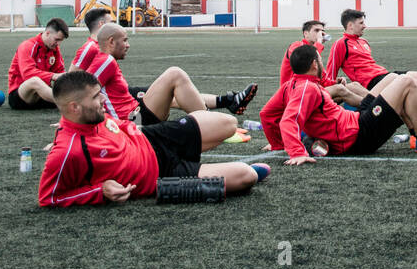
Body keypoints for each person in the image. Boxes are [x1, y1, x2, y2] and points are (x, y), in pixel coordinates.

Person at [38, 70, 267, 206]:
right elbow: (48, 197)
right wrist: (100, 191)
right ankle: (219, 171)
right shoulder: (66, 152)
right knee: (246, 175)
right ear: (74, 107)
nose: (102, 101)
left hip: (152, 137)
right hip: (162, 174)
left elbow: (118, 125)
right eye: (96, 97)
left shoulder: (91, 116)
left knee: (228, 123)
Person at [260, 44, 417, 161]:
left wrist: (278, 144)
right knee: (407, 81)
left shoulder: (289, 86)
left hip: (356, 120)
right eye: (320, 60)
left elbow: (266, 115)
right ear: (315, 65)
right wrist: (296, 152)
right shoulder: (306, 88)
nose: (322, 64)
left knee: (392, 78)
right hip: (358, 136)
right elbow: (289, 120)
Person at [82, 22, 257, 126]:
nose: (128, 45)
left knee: (174, 88)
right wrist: (74, 121)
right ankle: (211, 123)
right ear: (111, 42)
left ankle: (225, 106)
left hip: (135, 114)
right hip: (134, 121)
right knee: (175, 74)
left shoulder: (107, 61)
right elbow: (82, 89)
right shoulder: (106, 60)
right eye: (125, 40)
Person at [323, 9, 417, 102]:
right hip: (371, 83)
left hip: (384, 75)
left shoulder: (363, 41)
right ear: (350, 25)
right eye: (361, 23)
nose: (365, 26)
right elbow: (331, 74)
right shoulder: (341, 44)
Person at [6, 18, 68, 110]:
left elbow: (60, 72)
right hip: (20, 97)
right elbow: (27, 74)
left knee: (67, 79)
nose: (58, 44)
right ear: (47, 33)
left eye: (60, 41)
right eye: (57, 39)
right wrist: (53, 76)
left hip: (40, 97)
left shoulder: (54, 50)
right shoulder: (27, 46)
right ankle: (69, 103)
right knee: (35, 81)